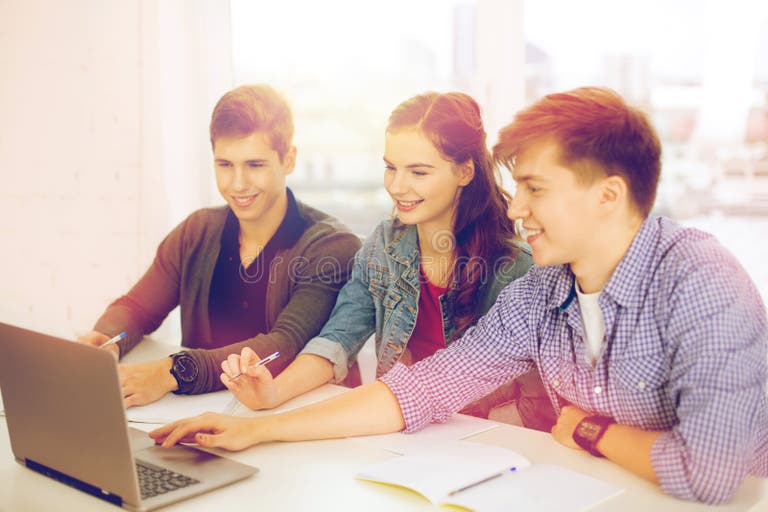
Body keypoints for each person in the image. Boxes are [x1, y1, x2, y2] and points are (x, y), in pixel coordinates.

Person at [149, 87, 768, 505]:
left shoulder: (701, 282)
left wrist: (587, 430)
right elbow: (418, 390)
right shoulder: (543, 291)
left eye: (535, 188)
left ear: (608, 195)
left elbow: (708, 473)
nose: (518, 207)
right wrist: (263, 431)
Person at [217, 91, 553, 429]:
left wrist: (469, 430)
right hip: (397, 429)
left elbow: (539, 404)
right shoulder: (384, 244)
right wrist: (273, 393)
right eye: (391, 168)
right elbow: (338, 338)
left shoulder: (516, 268)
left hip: (482, 442)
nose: (397, 186)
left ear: (465, 172)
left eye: (418, 172)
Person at [78, 84, 361, 407]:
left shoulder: (331, 247)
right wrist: (110, 340)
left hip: (294, 423)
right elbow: (137, 310)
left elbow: (284, 345)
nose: (238, 184)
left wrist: (173, 372)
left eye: (255, 165)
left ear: (289, 160)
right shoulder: (197, 232)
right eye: (225, 165)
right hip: (196, 411)